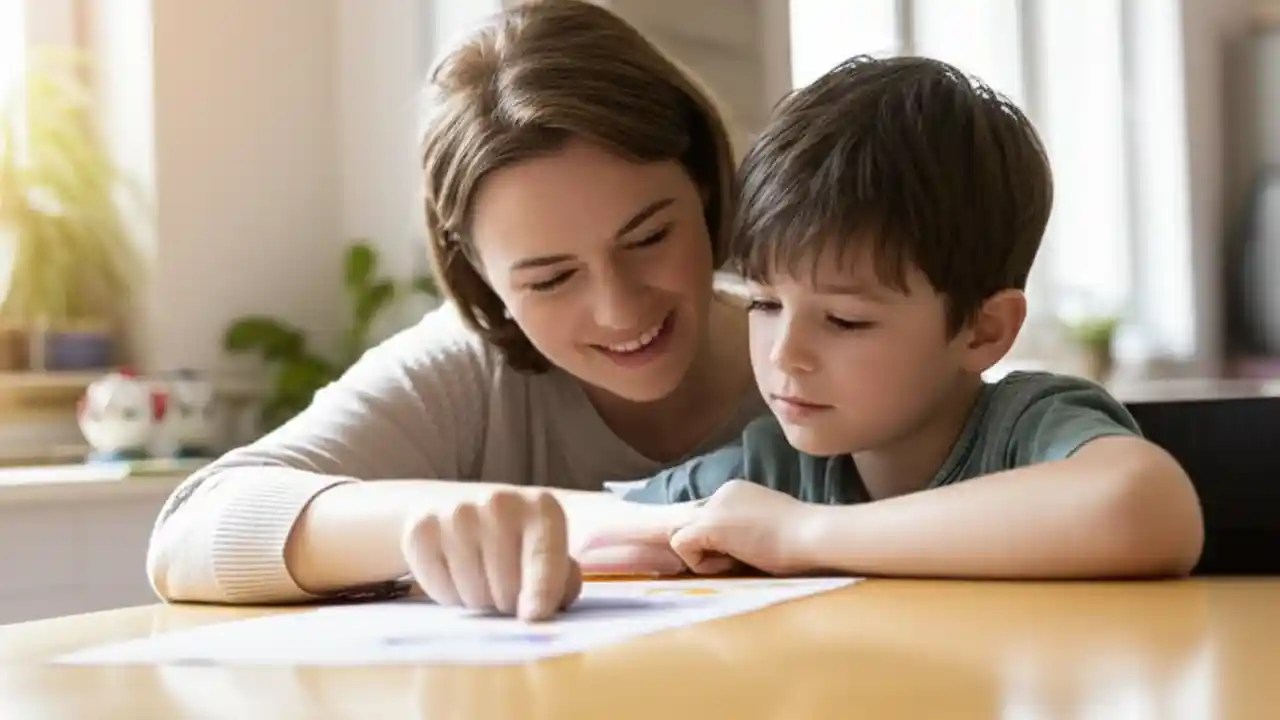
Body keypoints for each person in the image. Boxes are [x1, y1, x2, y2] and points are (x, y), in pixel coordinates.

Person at [145, 0, 764, 621]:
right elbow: (191, 530)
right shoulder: (470, 374)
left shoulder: (826, 340)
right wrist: (476, 521)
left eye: (649, 238)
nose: (618, 308)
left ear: (703, 184)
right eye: (550, 279)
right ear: (482, 276)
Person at [603, 56, 1205, 579]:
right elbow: (598, 522)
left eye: (844, 320)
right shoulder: (772, 467)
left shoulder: (1026, 428)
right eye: (764, 303)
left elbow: (1144, 506)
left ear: (984, 329)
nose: (785, 353)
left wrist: (802, 536)